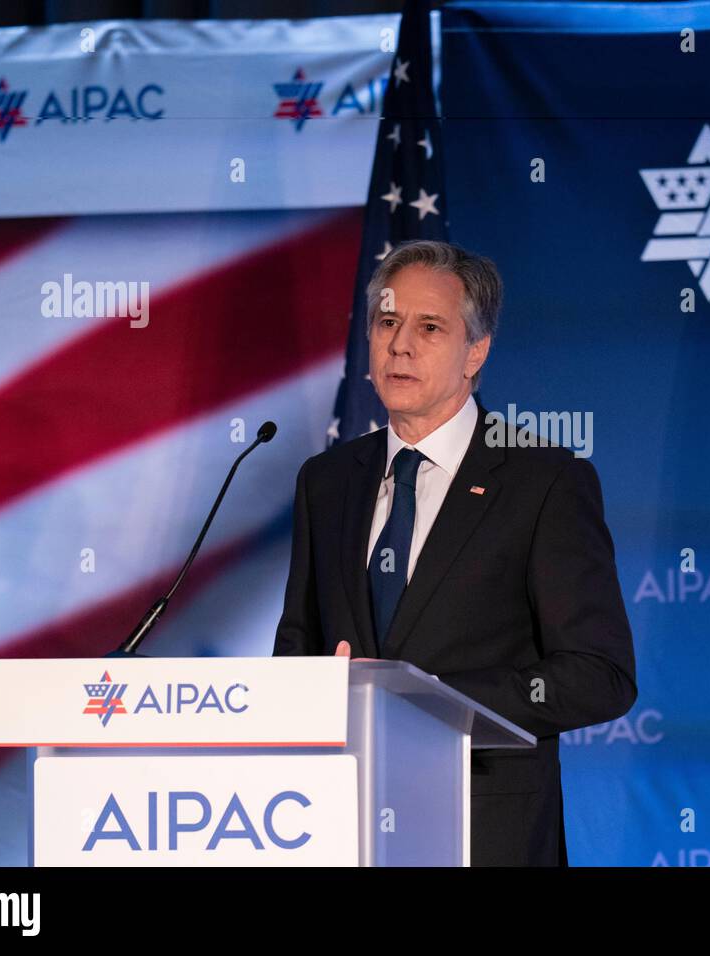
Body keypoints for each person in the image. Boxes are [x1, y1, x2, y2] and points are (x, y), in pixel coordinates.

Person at [273, 238, 637, 866]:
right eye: (387, 322)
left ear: (476, 351)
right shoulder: (326, 481)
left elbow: (600, 676)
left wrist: (435, 701)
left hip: (485, 832)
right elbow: (298, 644)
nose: (400, 345)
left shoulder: (542, 481)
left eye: (429, 327)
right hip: (339, 824)